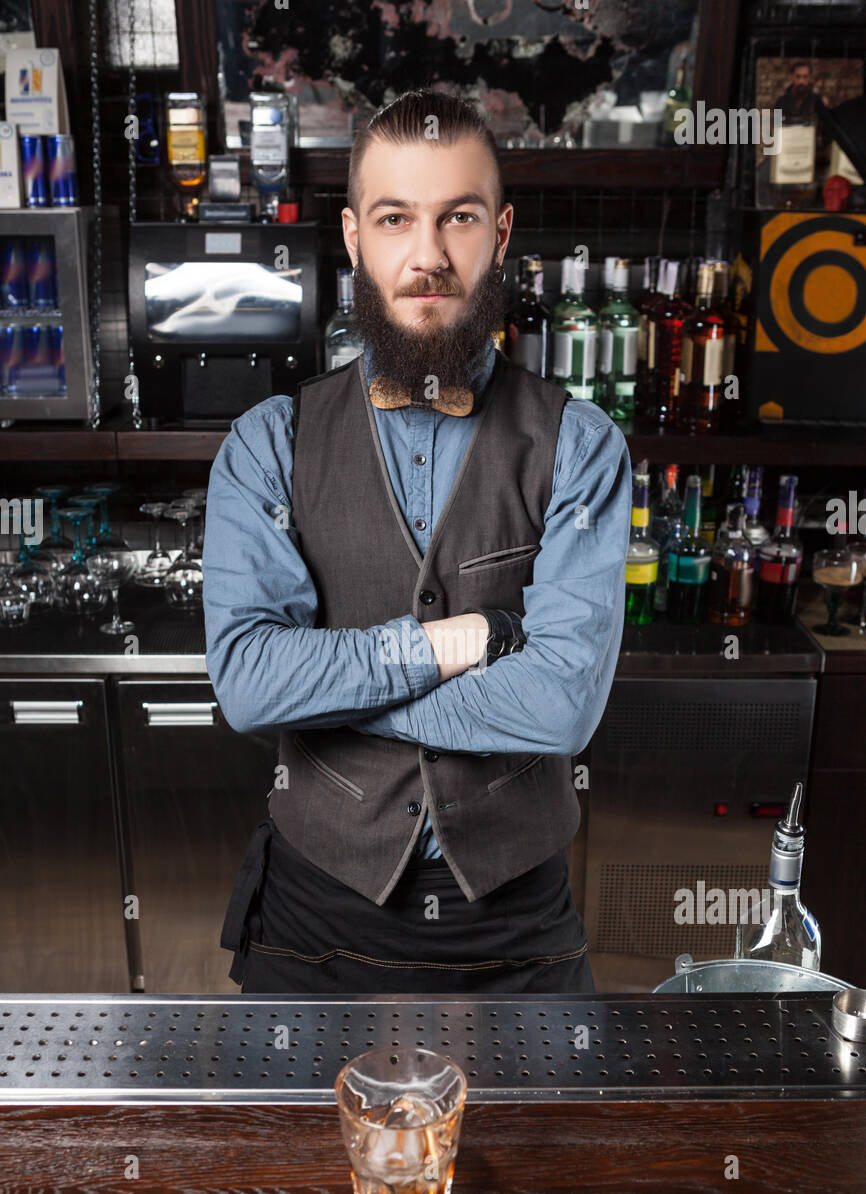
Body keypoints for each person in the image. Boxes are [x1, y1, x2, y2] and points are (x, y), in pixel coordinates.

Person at [203, 88, 631, 995]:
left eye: (459, 219)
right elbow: (246, 681)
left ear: (502, 234)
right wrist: (452, 644)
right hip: (314, 922)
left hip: (518, 929)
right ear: (356, 238)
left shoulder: (581, 443)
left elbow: (562, 707)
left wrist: (324, 695)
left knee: (547, 1144)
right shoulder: (268, 442)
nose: (428, 257)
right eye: (397, 218)